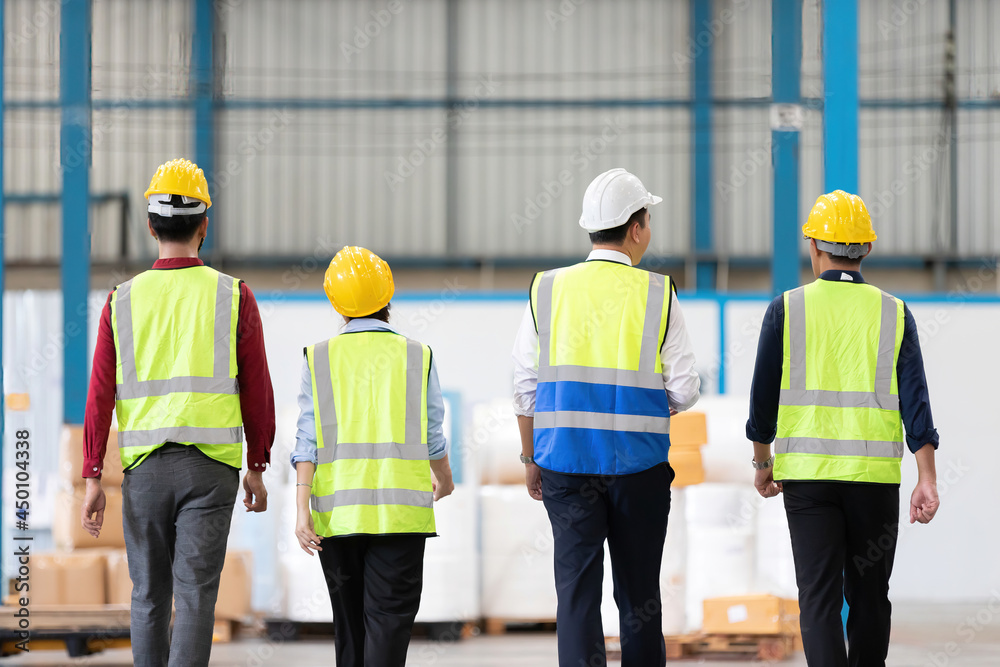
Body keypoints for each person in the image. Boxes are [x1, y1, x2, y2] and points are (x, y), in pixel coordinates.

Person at [80, 158, 274, 667]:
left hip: (144, 471)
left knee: (148, 595)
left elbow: (99, 394)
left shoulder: (121, 301)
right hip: (211, 471)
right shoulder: (234, 295)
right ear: (204, 225)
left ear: (151, 227)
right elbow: (257, 390)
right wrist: (258, 464)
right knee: (195, 597)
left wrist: (93, 474)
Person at [511, 168, 701, 667]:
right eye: (649, 221)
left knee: (576, 596)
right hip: (639, 469)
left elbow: (524, 387)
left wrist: (530, 458)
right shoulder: (658, 292)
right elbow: (685, 388)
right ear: (636, 228)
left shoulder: (548, 289)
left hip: (564, 466)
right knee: (639, 598)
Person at [746, 190, 940, 666]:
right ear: (867, 248)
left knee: (818, 597)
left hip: (807, 481)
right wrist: (928, 478)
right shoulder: (894, 312)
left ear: (814, 246)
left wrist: (762, 462)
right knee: (870, 596)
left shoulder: (786, 308)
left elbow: (761, 401)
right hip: (874, 481)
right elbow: (916, 402)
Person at [291, 246, 455, 667]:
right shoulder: (417, 354)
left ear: (336, 302)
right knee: (388, 624)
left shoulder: (319, 357)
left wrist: (301, 509)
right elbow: (432, 433)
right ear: (387, 297)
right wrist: (444, 477)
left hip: (337, 518)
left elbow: (307, 439)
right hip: (400, 517)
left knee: (349, 628)